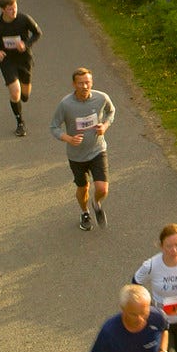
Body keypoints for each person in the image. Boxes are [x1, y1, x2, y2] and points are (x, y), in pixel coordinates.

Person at [52, 68, 116, 231]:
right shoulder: (66, 104)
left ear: (91, 82)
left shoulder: (101, 98)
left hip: (97, 150)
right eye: (80, 83)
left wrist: (105, 126)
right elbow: (54, 127)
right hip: (76, 156)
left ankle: (96, 203)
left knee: (102, 188)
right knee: (83, 187)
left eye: (87, 82)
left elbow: (111, 111)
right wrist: (69, 138)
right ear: (74, 84)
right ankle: (85, 211)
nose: (84, 86)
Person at [0, 0, 44, 136]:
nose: (14, 11)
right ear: (3, 10)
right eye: (10, 9)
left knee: (24, 95)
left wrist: (26, 44)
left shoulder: (24, 19)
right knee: (15, 92)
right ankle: (20, 123)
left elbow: (37, 33)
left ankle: (22, 100)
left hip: (24, 59)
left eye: (15, 8)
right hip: (7, 60)